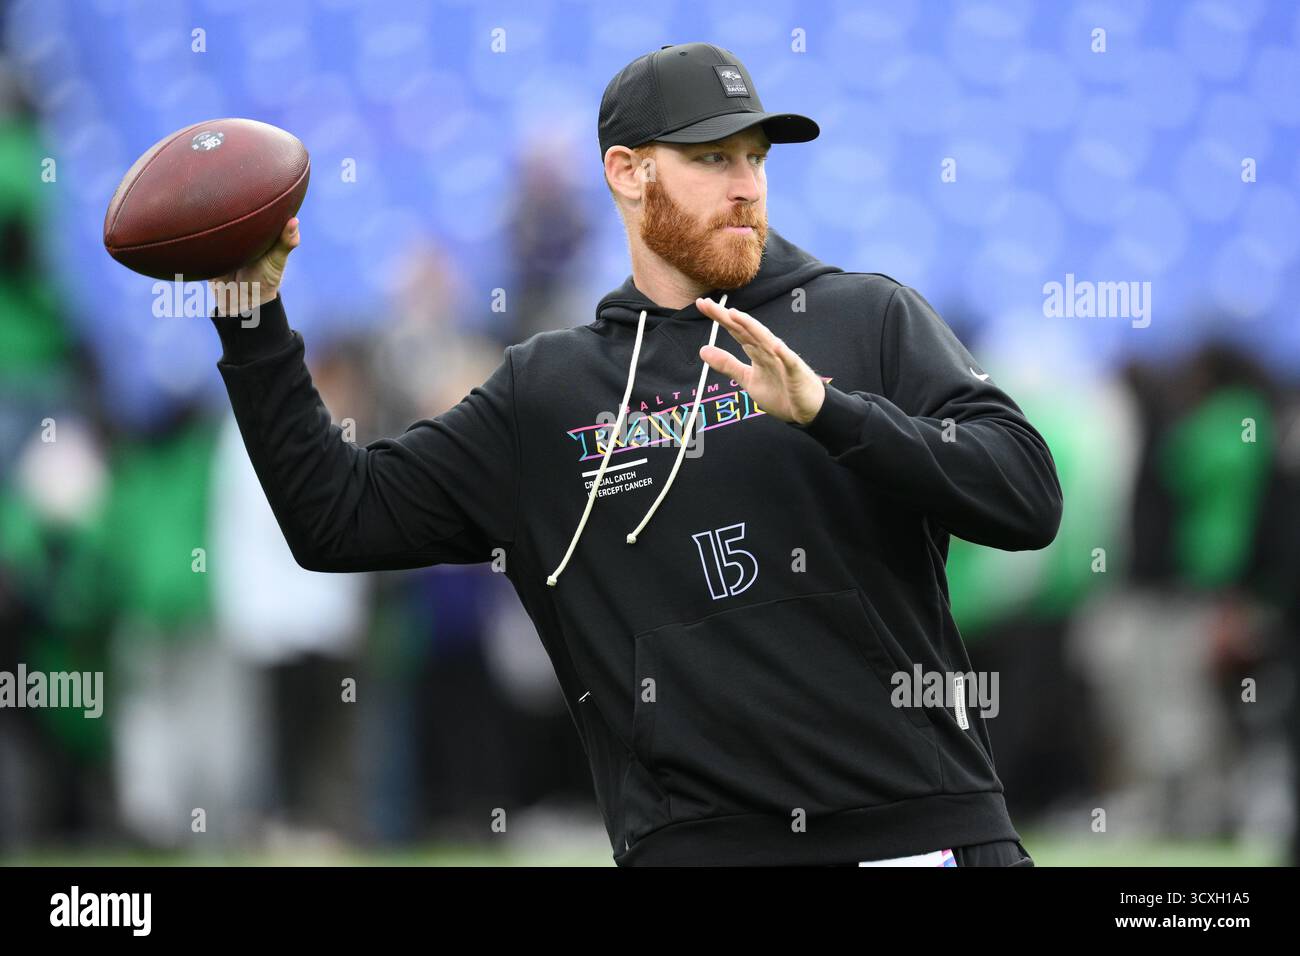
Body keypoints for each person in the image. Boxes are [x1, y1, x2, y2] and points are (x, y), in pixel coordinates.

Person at [207, 42, 1060, 866]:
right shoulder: (549, 390)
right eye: (714, 159)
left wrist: (830, 413)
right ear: (627, 172)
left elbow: (1026, 495)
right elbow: (335, 519)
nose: (747, 188)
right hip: (693, 849)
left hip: (916, 835)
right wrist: (251, 314)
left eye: (757, 159)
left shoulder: (867, 317)